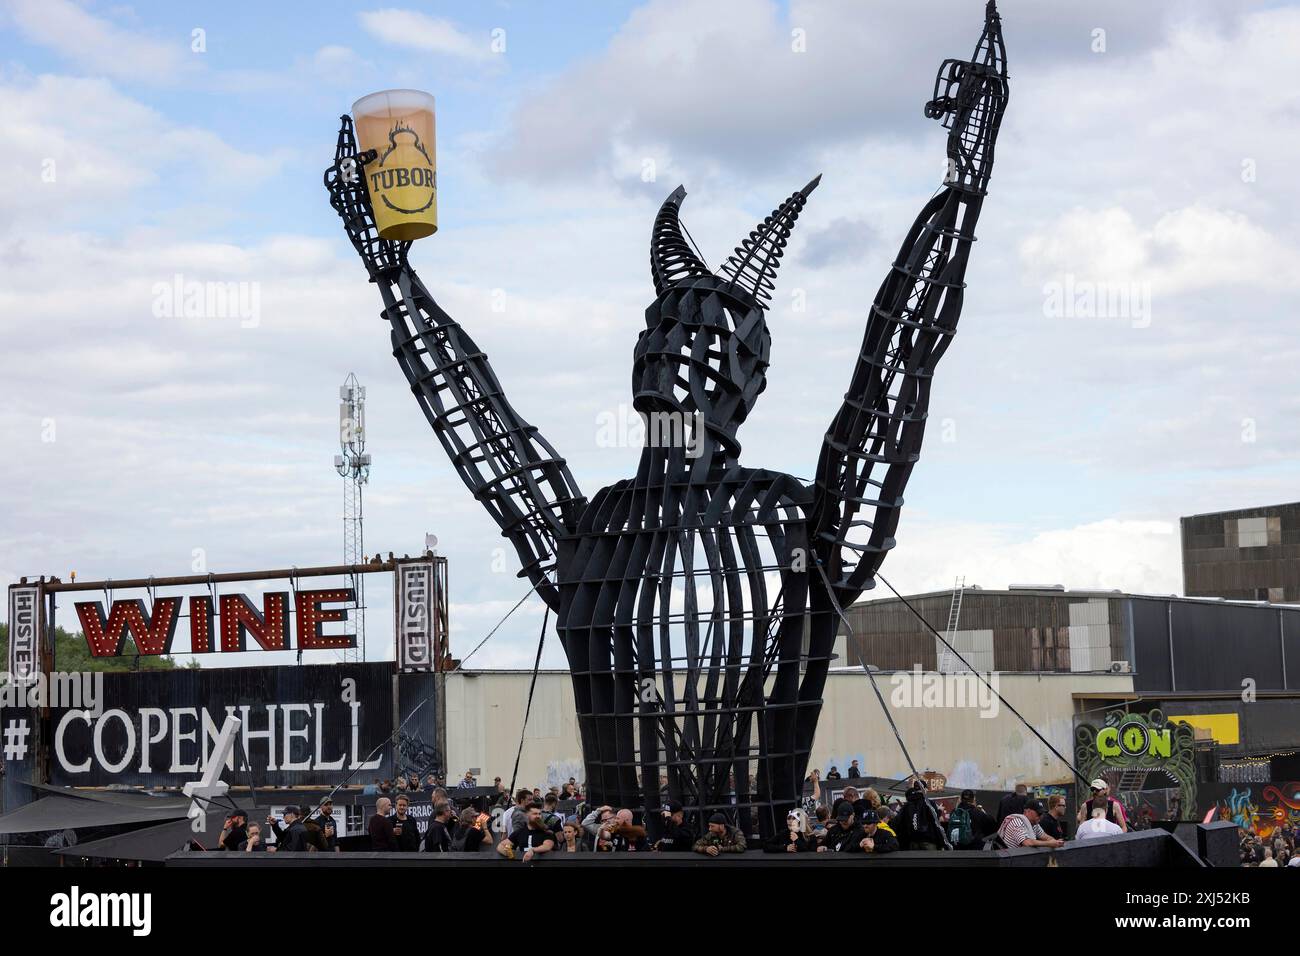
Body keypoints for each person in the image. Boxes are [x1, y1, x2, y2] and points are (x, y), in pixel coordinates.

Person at [892, 781, 951, 850]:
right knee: (930, 860)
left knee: (915, 861)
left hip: (912, 841)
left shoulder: (907, 805)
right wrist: (939, 810)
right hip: (928, 840)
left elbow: (899, 822)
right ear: (924, 789)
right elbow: (935, 820)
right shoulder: (929, 803)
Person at [996, 799, 1064, 849]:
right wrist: (1049, 844)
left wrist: (1055, 842)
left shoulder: (1034, 824)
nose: (1041, 816)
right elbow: (1027, 843)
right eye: (1039, 813)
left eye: (1042, 813)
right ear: (1027, 811)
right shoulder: (1016, 822)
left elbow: (1045, 836)